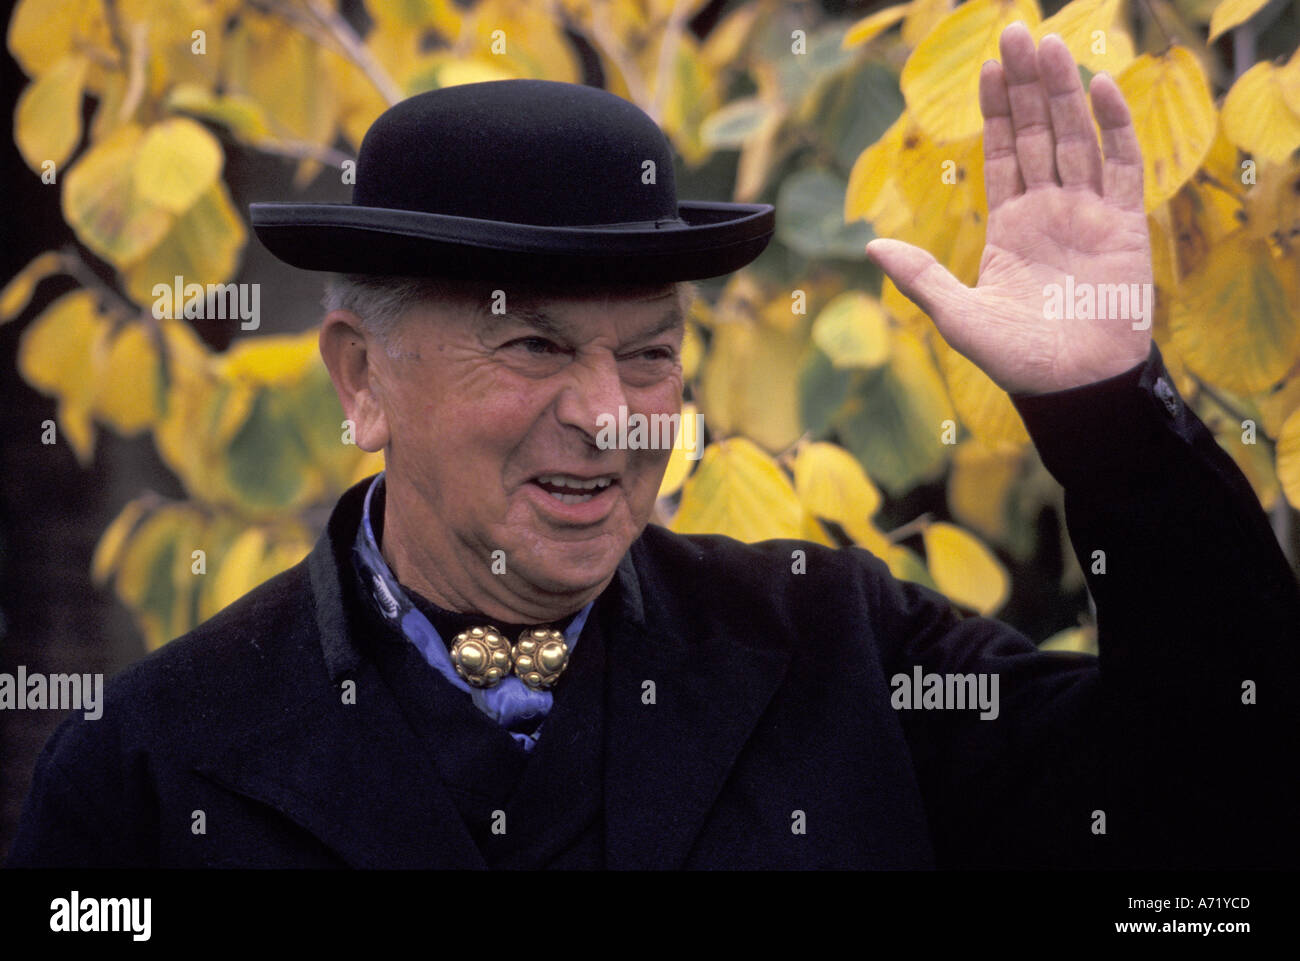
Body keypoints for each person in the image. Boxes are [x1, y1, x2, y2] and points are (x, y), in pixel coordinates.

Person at [8, 23, 1298, 869]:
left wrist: (1112, 423)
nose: (612, 410)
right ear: (363, 380)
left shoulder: (840, 652)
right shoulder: (145, 769)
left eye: (650, 352)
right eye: (533, 347)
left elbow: (1223, 791)